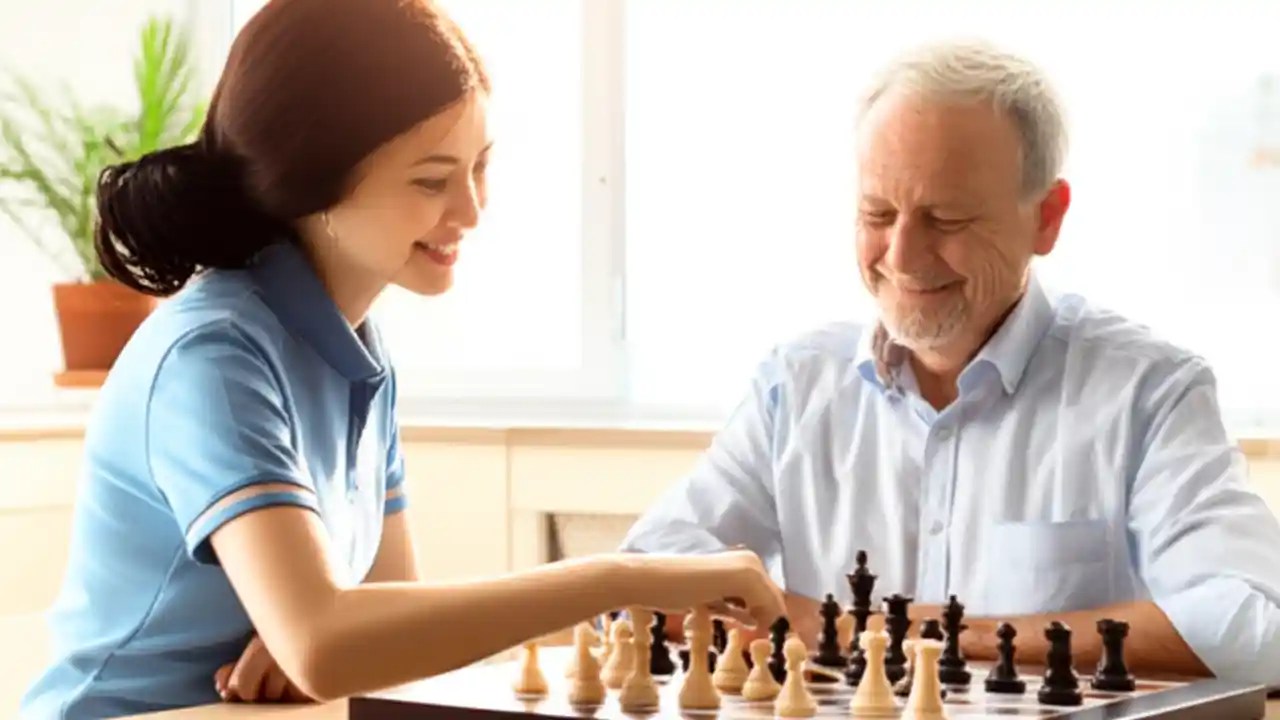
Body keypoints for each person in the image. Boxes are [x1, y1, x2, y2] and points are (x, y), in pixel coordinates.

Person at [19, 2, 785, 718]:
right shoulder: (214, 356)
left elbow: (381, 622)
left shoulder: (358, 351)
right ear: (312, 180)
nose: (473, 211)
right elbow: (328, 643)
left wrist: (328, 639)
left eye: (480, 166)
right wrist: (625, 577)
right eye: (432, 181)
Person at [620, 39, 1280, 687]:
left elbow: (1259, 631)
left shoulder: (1151, 393)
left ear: (1046, 219)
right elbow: (637, 589)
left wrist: (884, 635)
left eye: (946, 219)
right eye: (877, 213)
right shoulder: (792, 390)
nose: (902, 257)